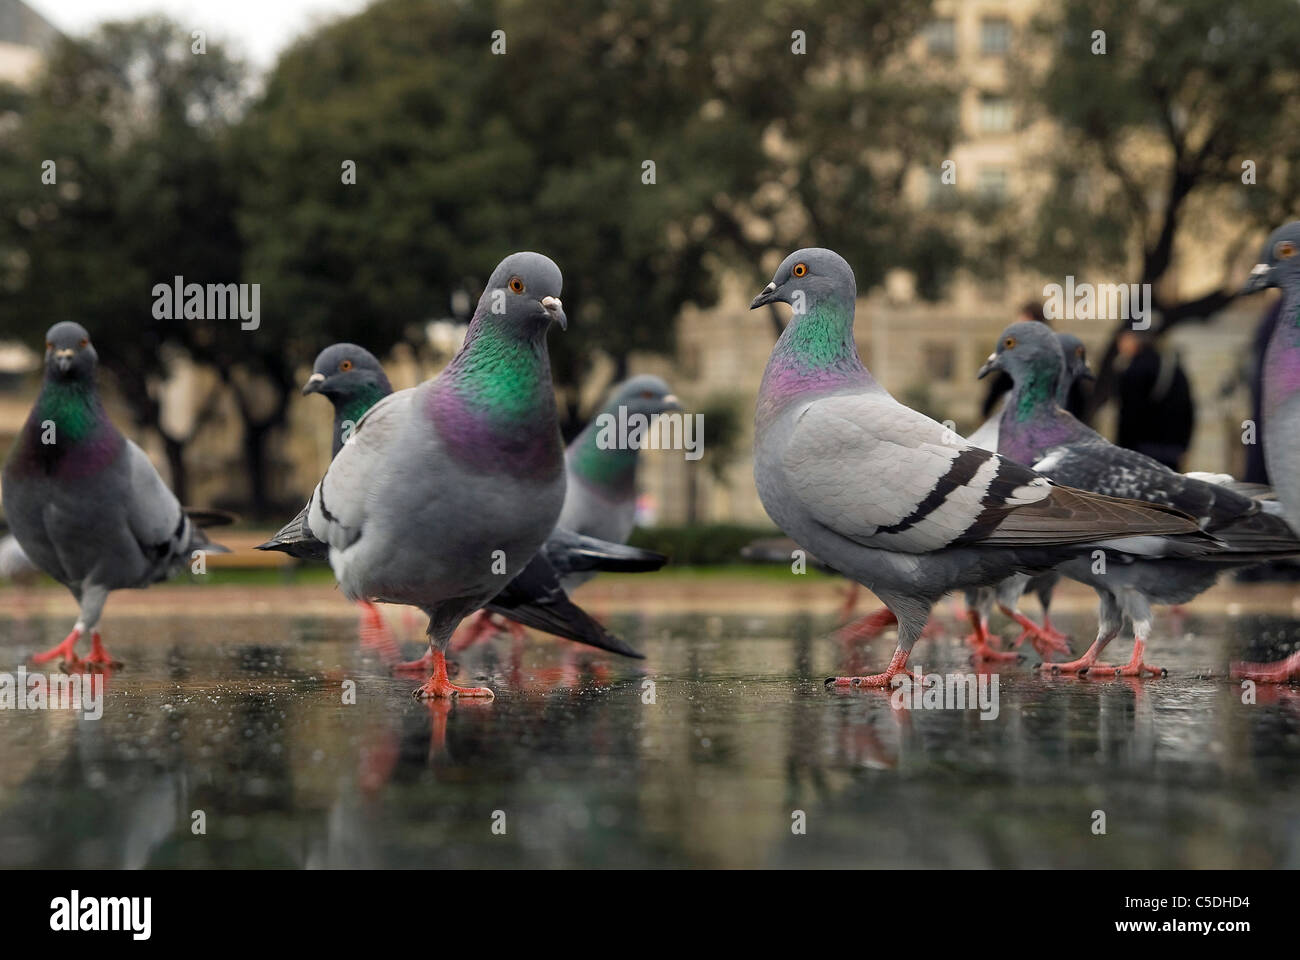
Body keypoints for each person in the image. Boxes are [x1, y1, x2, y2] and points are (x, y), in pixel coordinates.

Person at [1113, 329, 1194, 470]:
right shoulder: (1173, 368)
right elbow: (1188, 409)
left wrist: (1121, 450)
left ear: (1134, 340)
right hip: (1171, 450)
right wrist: (1183, 446)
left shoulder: (1134, 370)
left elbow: (1128, 414)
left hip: (1140, 450)